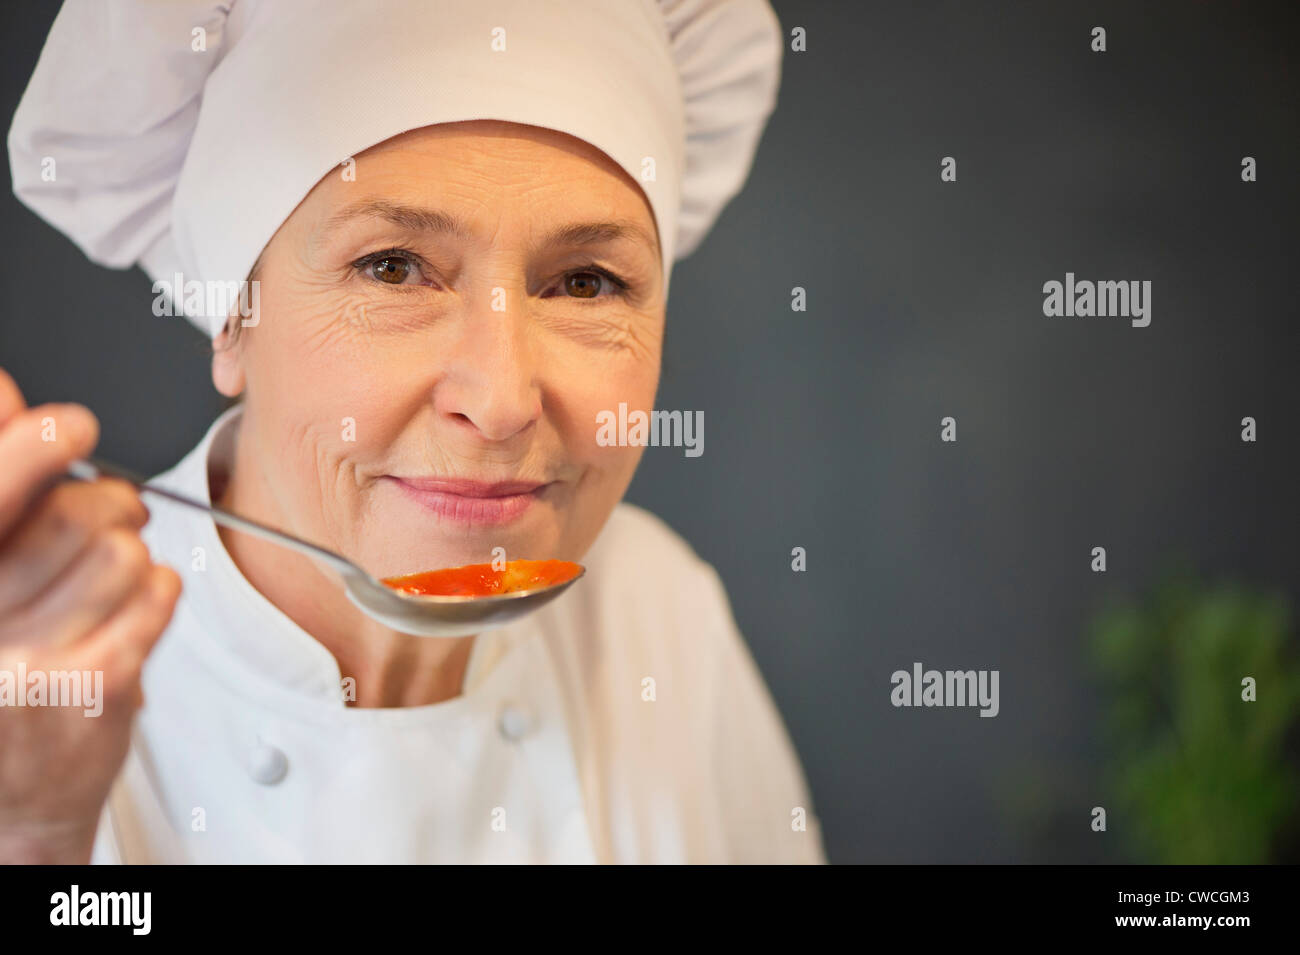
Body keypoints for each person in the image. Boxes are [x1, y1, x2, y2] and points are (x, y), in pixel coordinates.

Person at [2, 0, 826, 863]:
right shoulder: (44, 675)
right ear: (233, 317)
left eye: (586, 283)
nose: (503, 399)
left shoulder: (659, 615)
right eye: (392, 268)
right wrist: (34, 833)